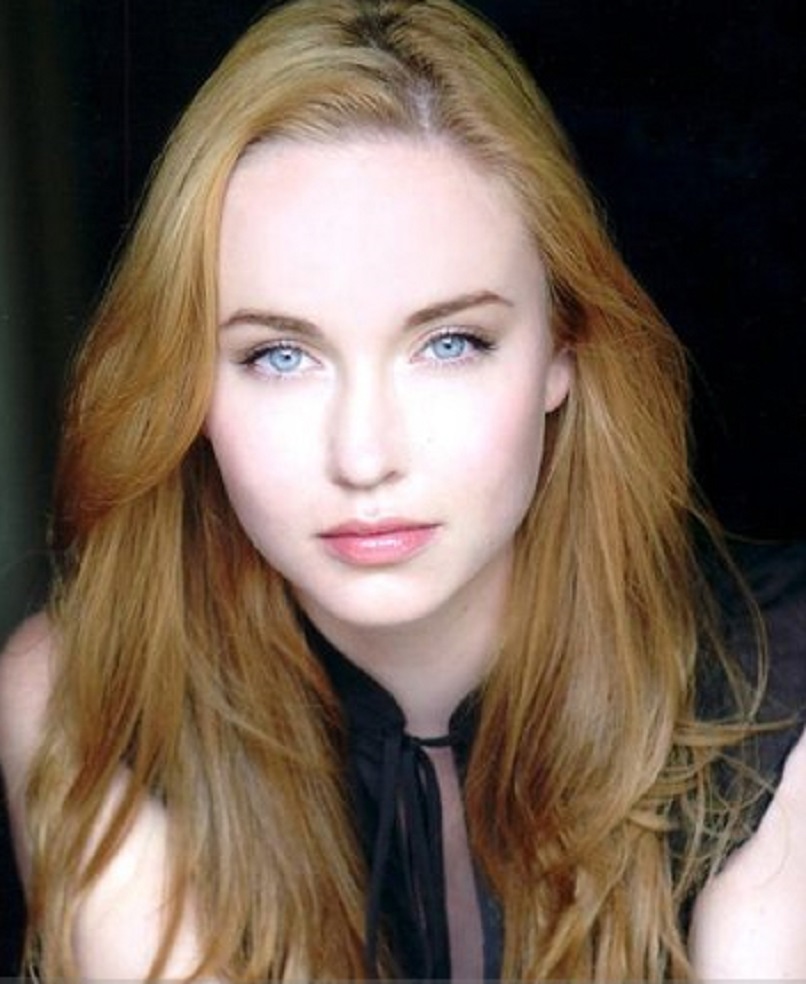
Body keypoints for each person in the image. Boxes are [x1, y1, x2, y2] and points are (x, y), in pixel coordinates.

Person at [0, 0, 804, 979]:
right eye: (279, 355)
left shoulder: (782, 706)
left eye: (449, 343)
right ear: (187, 387)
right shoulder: (94, 703)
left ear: (562, 348)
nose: (364, 455)